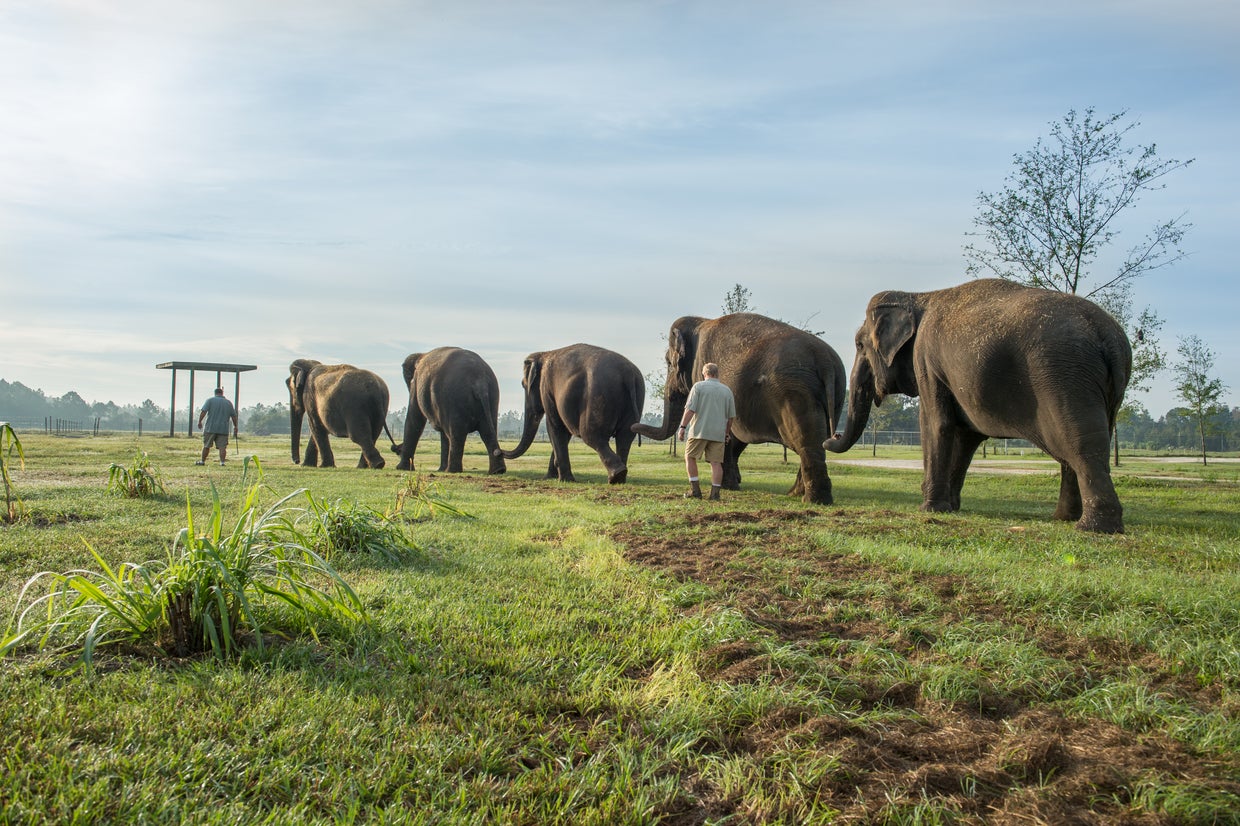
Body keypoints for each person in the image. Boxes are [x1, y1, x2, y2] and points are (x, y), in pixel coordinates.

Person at [677, 362, 736, 500]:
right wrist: (726, 433)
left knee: (690, 457)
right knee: (716, 463)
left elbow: (690, 409)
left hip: (699, 431)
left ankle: (695, 491)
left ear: (704, 374)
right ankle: (715, 494)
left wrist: (683, 427)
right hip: (718, 433)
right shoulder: (726, 390)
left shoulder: (698, 387)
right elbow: (730, 418)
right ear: (717, 374)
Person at [196, 387, 238, 466]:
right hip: (223, 428)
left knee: (206, 445)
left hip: (210, 428)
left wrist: (199, 421)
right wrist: (235, 427)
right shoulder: (228, 402)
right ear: (222, 393)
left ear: (215, 393)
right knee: (222, 447)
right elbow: (234, 416)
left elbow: (203, 411)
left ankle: (202, 461)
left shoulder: (210, 400)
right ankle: (222, 462)